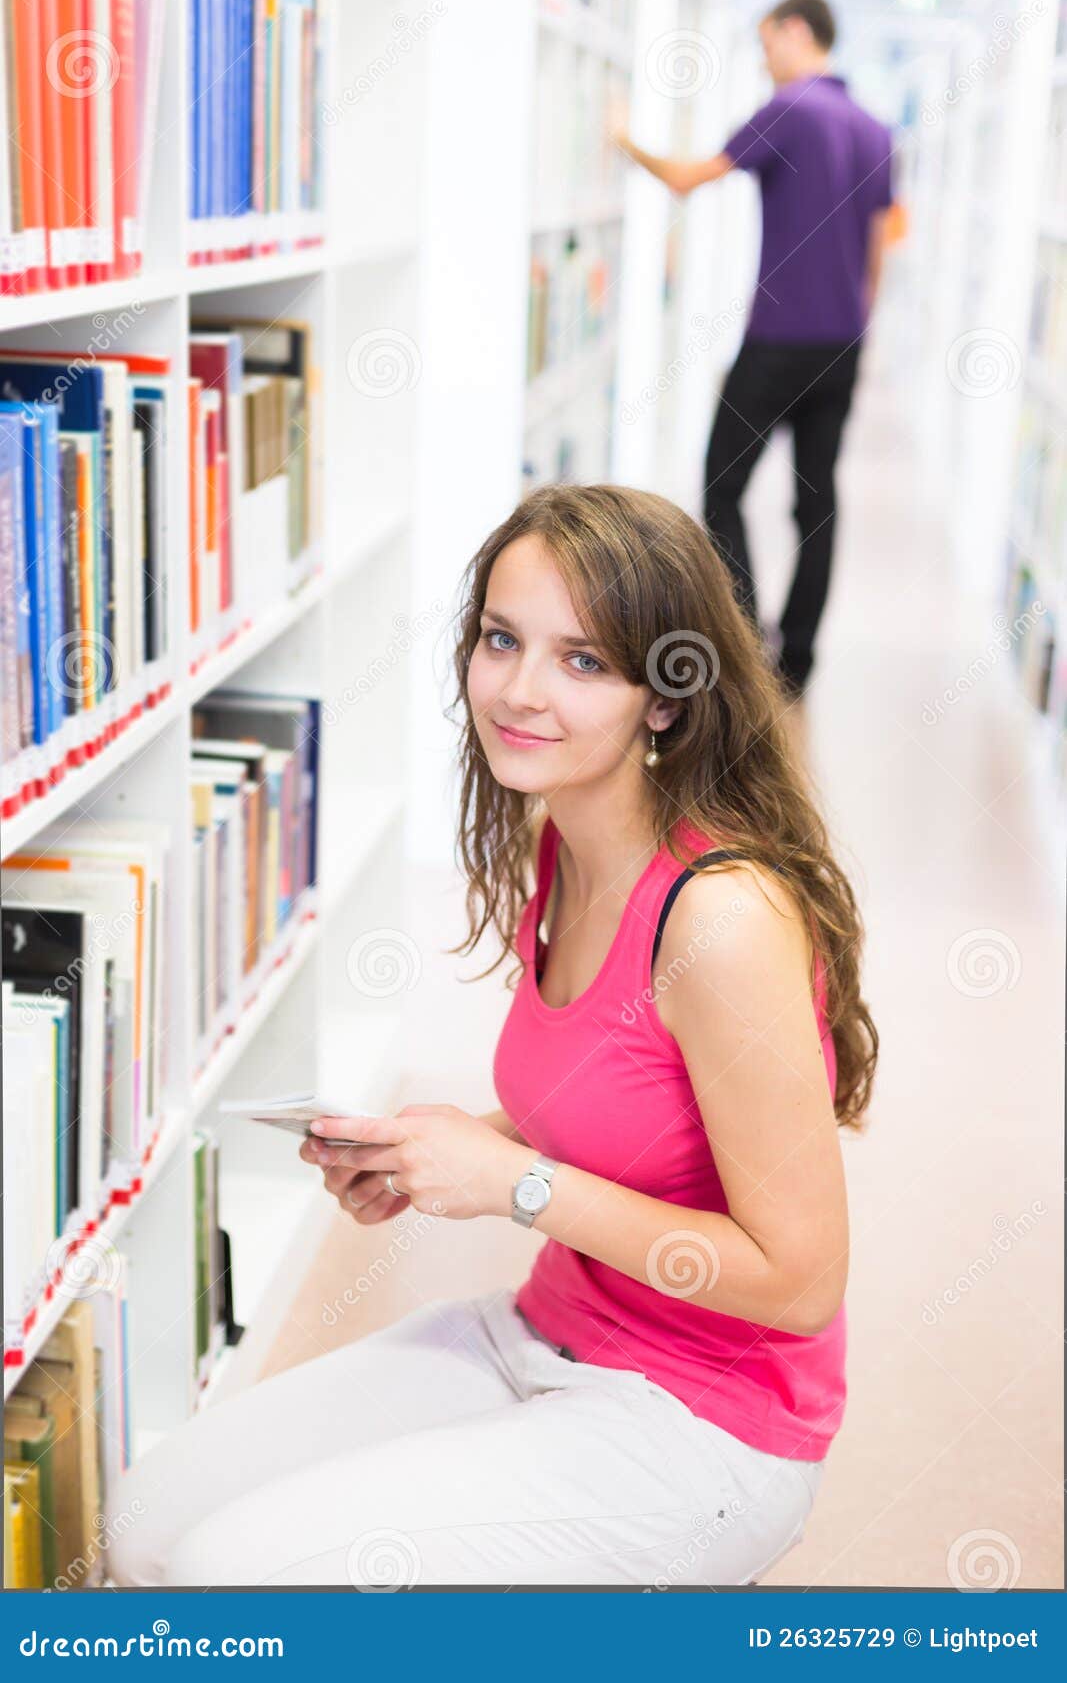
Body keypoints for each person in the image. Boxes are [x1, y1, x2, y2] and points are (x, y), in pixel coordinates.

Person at [105, 483, 878, 1589]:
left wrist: (513, 1182)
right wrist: (443, 1147)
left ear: (663, 701)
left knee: (219, 1572)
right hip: (545, 1329)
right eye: (501, 640)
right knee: (144, 1523)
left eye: (582, 662)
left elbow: (800, 1281)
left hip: (704, 1424)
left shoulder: (720, 916)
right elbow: (626, 1099)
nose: (517, 693)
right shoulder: (563, 843)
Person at [611, 0, 895, 698]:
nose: (763, 58)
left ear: (794, 31)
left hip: (775, 342)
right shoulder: (874, 129)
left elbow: (684, 179)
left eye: (765, 42)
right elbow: (883, 239)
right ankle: (795, 664)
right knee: (817, 500)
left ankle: (740, 646)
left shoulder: (789, 110)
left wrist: (622, 139)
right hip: (841, 343)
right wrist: (860, 325)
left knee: (720, 485)